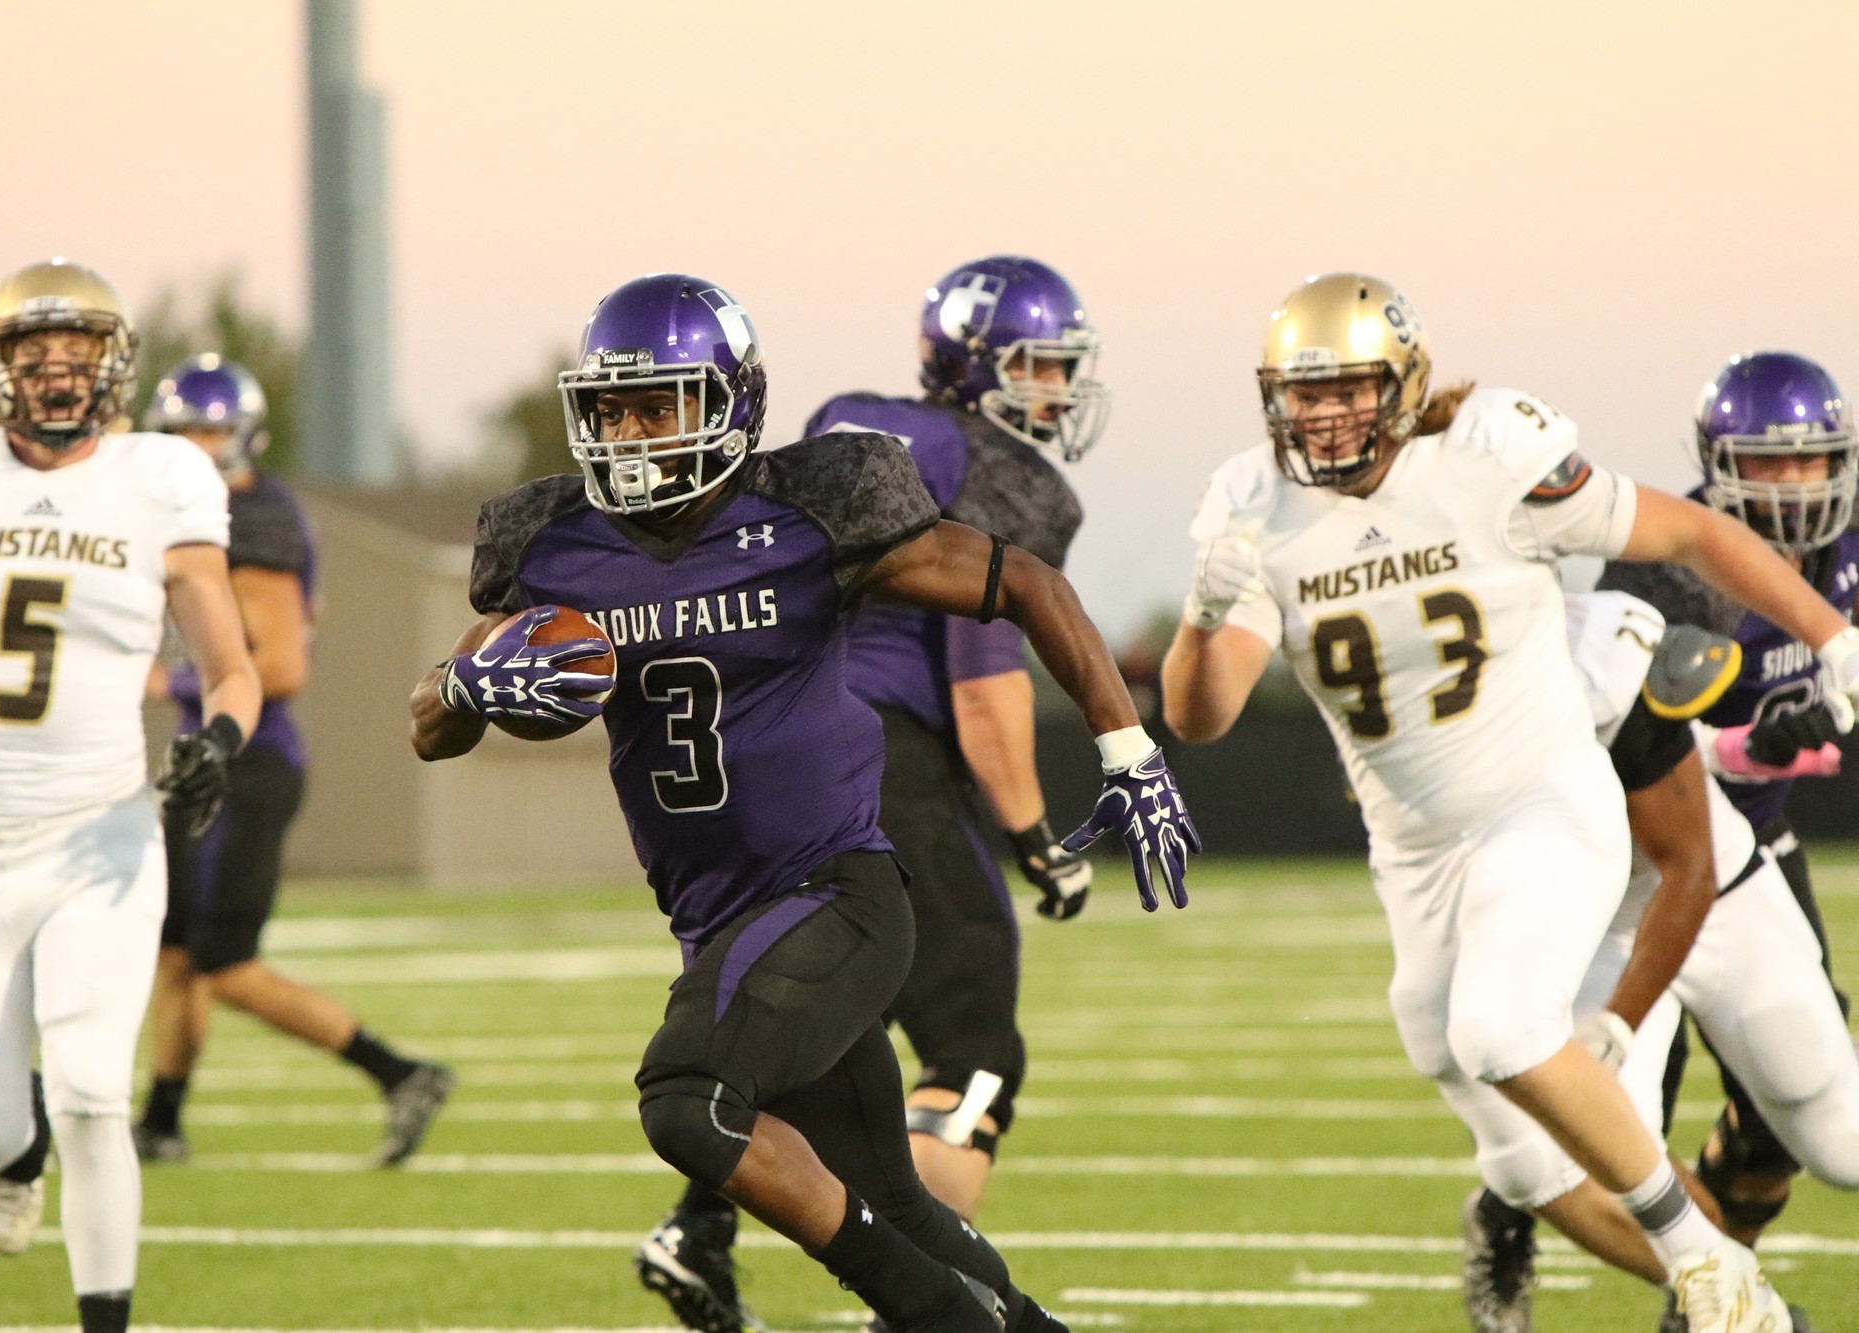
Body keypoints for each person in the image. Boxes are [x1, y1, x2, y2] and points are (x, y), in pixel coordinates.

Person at [410, 273, 1197, 1332]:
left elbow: (1026, 584)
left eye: (661, 406)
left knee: (684, 1099)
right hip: (719, 921)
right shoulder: (554, 545)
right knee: (891, 1193)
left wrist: (1128, 749)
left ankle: (933, 1316)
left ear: (731, 401)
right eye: (612, 409)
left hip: (837, 892)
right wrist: (465, 687)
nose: (633, 434)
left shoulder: (809, 509)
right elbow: (431, 721)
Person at [1159, 272, 1859, 1333]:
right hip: (1418, 851)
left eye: (1349, 388)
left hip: (1555, 813)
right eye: (1302, 396)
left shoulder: (1502, 474)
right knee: (1485, 1100)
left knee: (1499, 1028)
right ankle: (1743, 1304)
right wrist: (1203, 618)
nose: (1324, 416)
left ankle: (1703, 1267)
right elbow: (1198, 716)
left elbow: (1683, 850)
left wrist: (1829, 635)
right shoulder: (1252, 504)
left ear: (1403, 385)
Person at [632, 255, 1104, 1332]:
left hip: (782, 757)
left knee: (813, 1034)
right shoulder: (1006, 476)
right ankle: (926, 1309)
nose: (1053, 391)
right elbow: (986, 689)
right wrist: (1037, 835)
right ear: (973, 363)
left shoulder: (855, 436)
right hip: (887, 762)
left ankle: (701, 1223)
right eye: (1035, 365)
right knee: (973, 1050)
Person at [0, 259, 260, 1333]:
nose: (54, 379)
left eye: (75, 360)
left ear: (113, 369)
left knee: (92, 1086)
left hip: (102, 832)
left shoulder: (159, 479)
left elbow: (234, 667)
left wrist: (218, 740)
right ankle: (11, 1146)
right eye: (33, 360)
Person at [1456, 591, 1855, 1333]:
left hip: (1707, 883)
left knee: (1842, 1138)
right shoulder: (1434, 707)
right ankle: (1727, 1299)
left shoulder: (1603, 646)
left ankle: (1720, 1284)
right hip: (1584, 916)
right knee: (1562, 1163)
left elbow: (1688, 869)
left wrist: (1620, 1021)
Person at [131, 355, 452, 1167]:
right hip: (200, 760)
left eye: (212, 432)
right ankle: (161, 1119)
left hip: (249, 761)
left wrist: (161, 677)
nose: (199, 448)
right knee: (172, 953)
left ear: (245, 437)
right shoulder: (192, 512)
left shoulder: (257, 519)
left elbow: (280, 668)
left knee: (227, 966)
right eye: (184, 433)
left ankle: (399, 1071)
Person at [1596, 351, 1859, 1265]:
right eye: (1767, 460)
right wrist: (1749, 745)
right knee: (1626, 1112)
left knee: (1799, 1097)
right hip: (1651, 845)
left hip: (1761, 842)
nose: (1791, 481)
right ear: (1716, 461)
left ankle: (1709, 1297)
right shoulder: (1671, 561)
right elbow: (1620, 734)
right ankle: (1513, 1210)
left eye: (1807, 458)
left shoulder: (1850, 546)